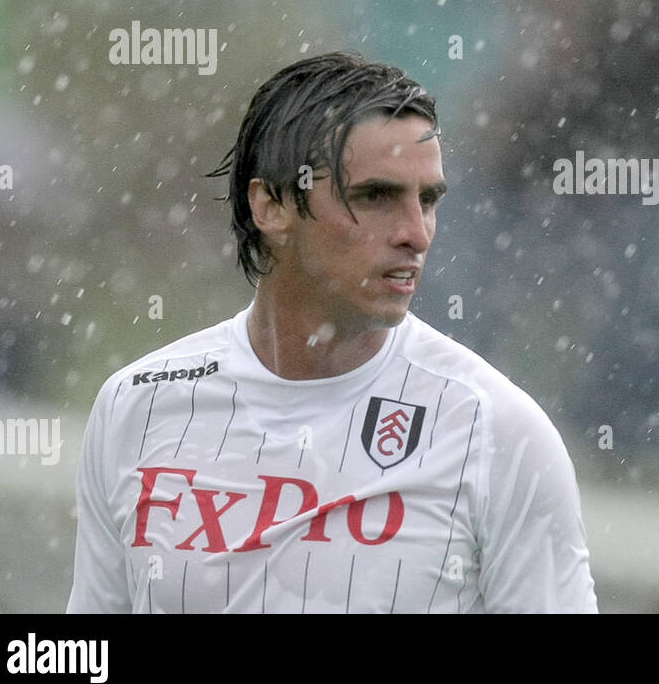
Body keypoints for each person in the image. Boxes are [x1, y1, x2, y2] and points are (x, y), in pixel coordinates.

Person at [66, 51, 598, 612]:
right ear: (271, 204)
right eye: (376, 196)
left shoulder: (497, 432)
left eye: (429, 200)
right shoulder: (136, 406)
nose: (416, 234)